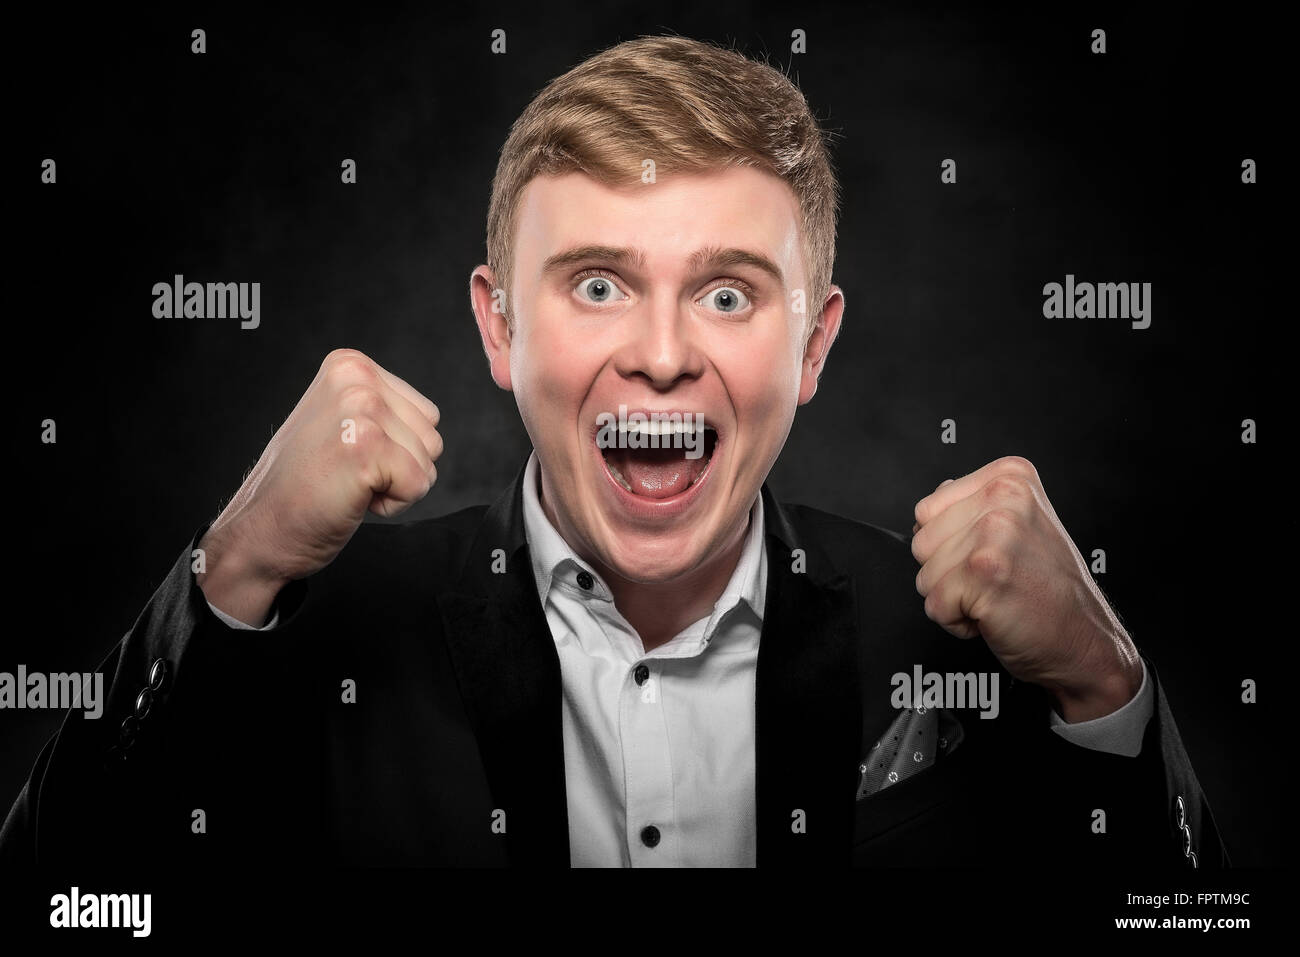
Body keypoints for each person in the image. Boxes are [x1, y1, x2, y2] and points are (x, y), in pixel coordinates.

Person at [1, 34, 1224, 868]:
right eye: (597, 283)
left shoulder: (961, 647)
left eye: (730, 295)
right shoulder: (313, 633)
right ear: (500, 324)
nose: (658, 353)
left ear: (814, 346)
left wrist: (1105, 686)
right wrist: (228, 571)